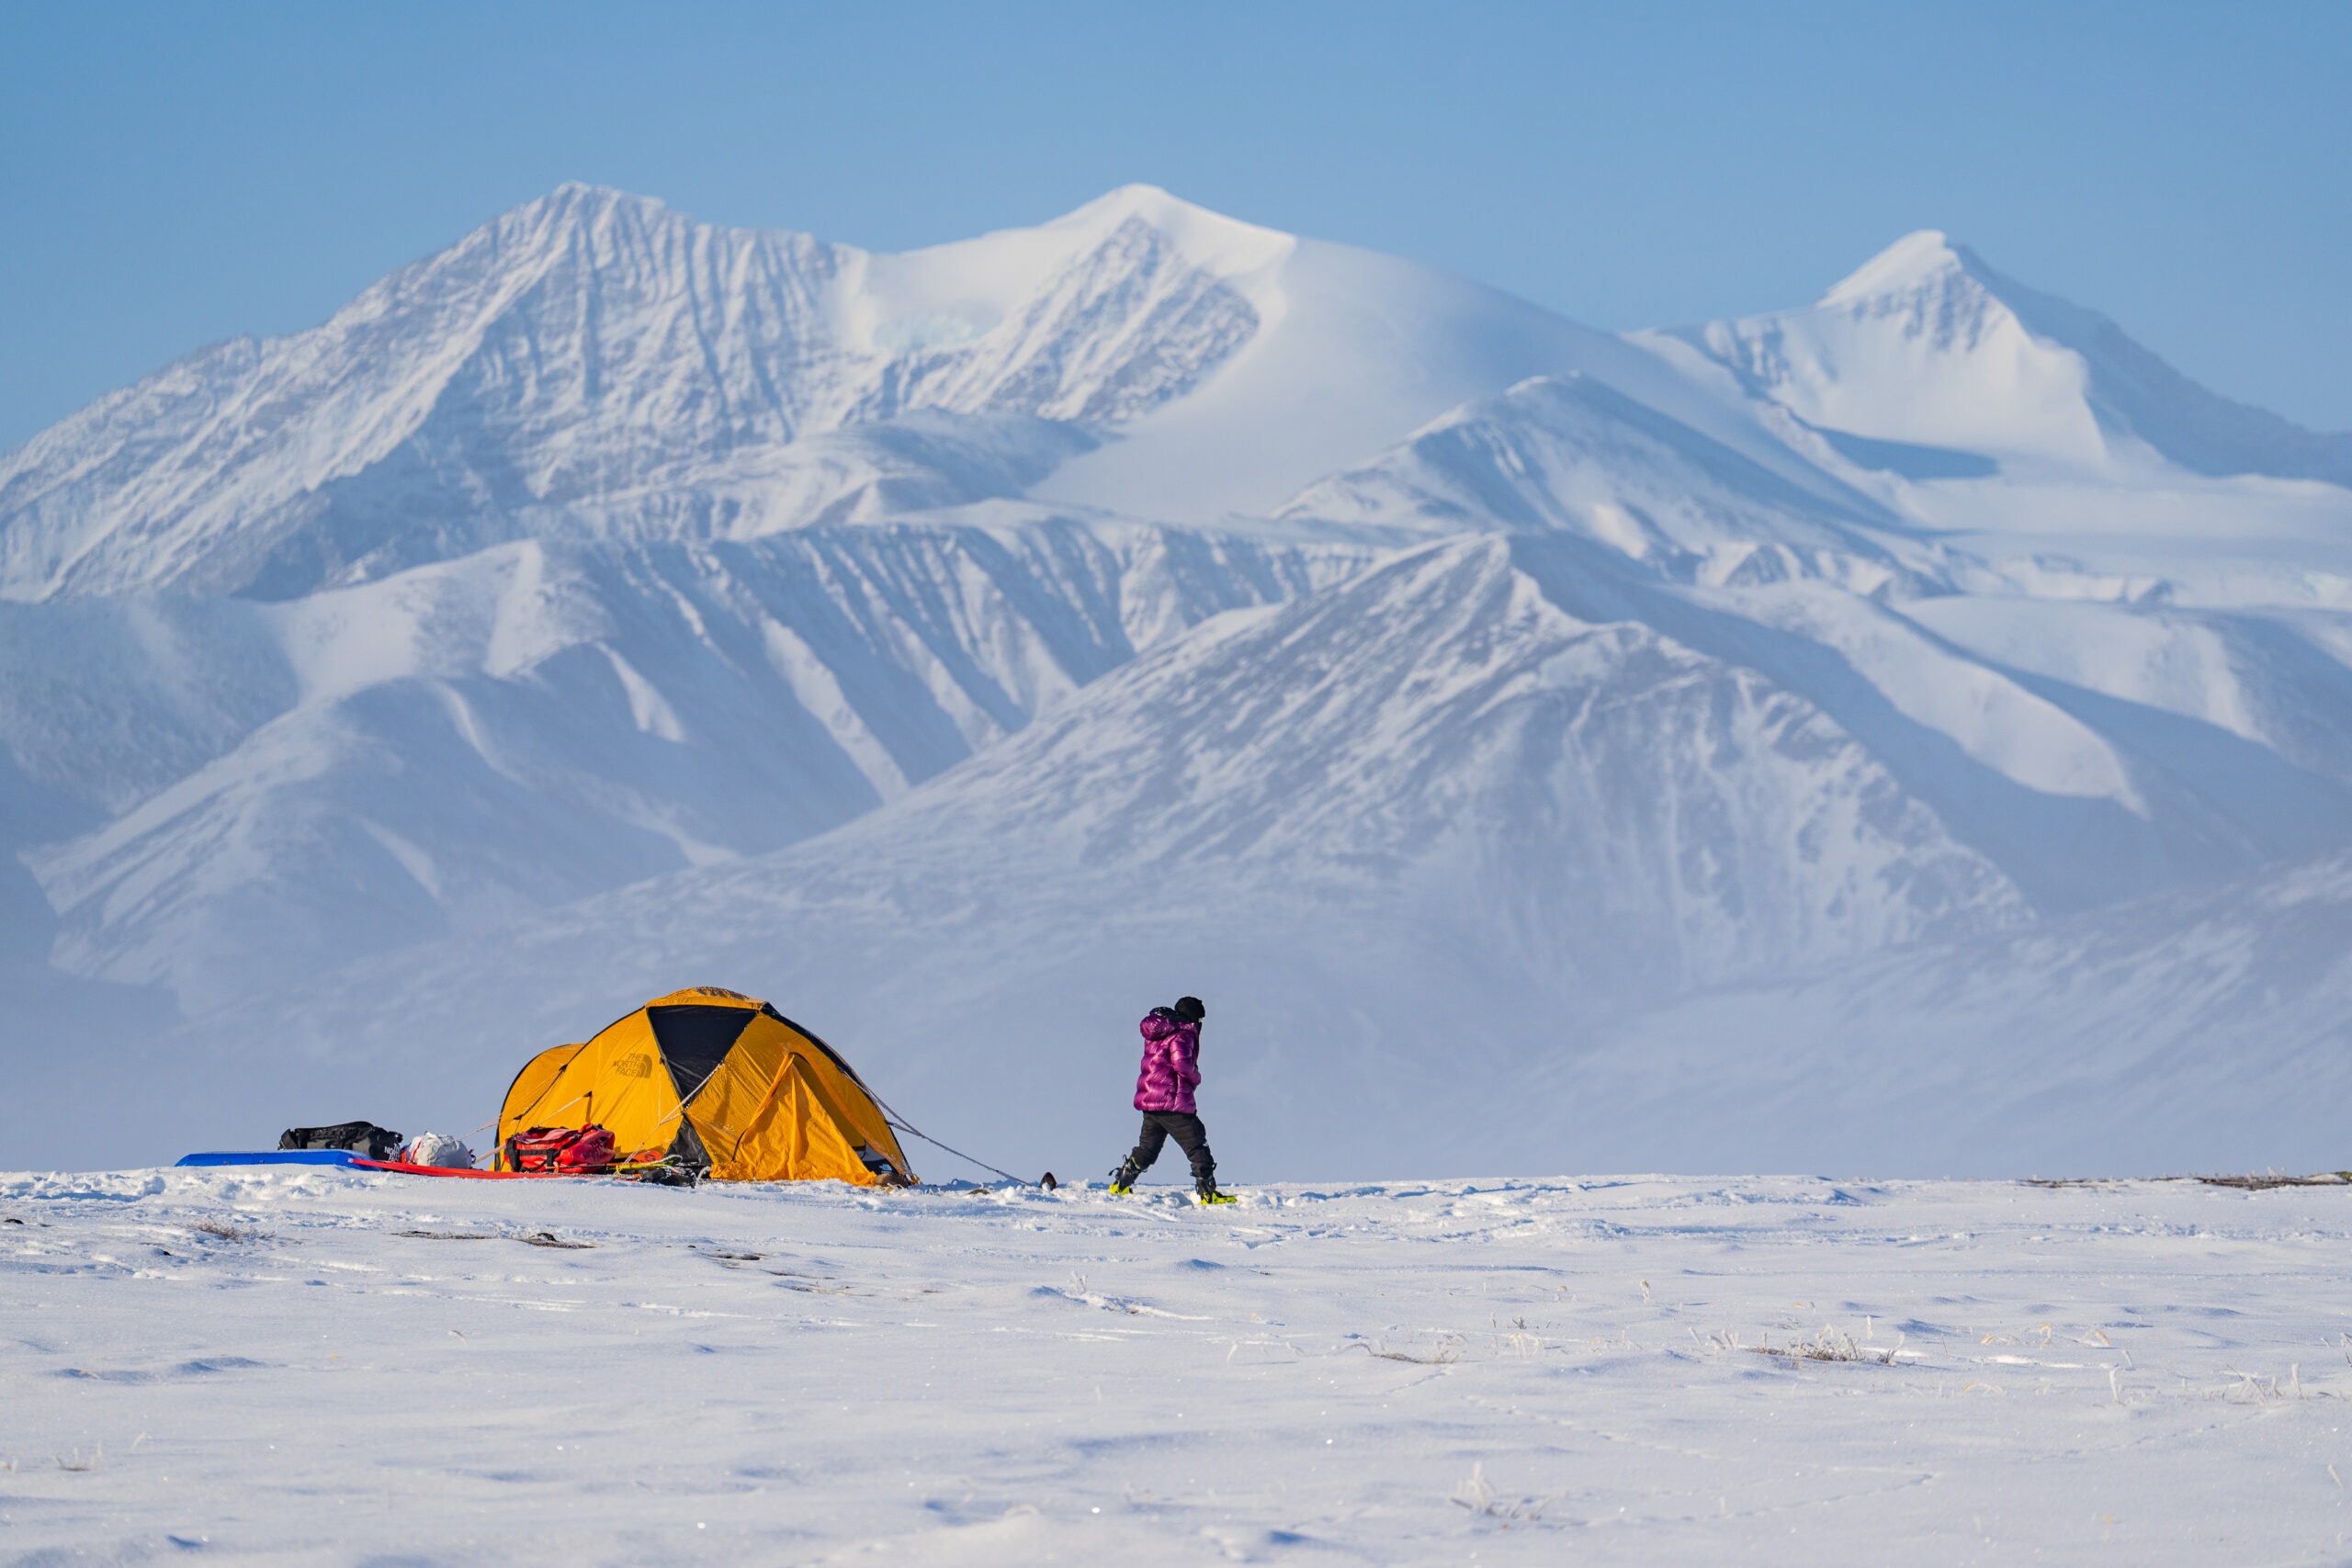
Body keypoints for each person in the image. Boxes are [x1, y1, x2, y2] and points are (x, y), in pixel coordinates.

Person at [1109, 995, 1233, 1203]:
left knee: (1148, 1150)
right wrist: (1196, 1076)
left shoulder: (1160, 1033)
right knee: (1197, 1144)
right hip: (1171, 1102)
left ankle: (1121, 1183)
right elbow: (1181, 1064)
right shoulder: (1183, 1033)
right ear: (1194, 1017)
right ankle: (1208, 1193)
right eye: (1200, 1020)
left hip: (1151, 1102)